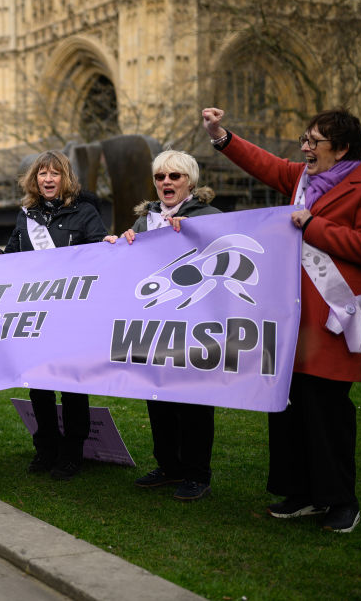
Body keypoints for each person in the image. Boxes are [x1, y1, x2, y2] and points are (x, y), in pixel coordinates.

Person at [202, 107, 361, 533]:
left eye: (313, 142)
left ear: (341, 149)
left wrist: (314, 225)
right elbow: (265, 163)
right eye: (304, 140)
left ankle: (342, 501)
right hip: (290, 319)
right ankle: (301, 494)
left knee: (327, 414)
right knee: (288, 409)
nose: (304, 148)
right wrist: (221, 136)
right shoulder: (302, 179)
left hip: (334, 322)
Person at [104, 150, 221, 501]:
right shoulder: (146, 222)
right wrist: (118, 246)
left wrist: (194, 236)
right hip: (153, 324)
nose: (166, 183)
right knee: (157, 396)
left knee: (194, 401)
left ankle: (197, 474)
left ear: (191, 181)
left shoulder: (210, 217)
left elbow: (220, 259)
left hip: (194, 323)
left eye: (174, 176)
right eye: (160, 177)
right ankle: (169, 466)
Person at [0, 150, 107, 480]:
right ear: (34, 180)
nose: (48, 179)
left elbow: (100, 255)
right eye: (42, 174)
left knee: (71, 386)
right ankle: (46, 447)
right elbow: (14, 254)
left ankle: (72, 452)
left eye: (55, 174)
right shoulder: (27, 215)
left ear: (65, 178)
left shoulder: (86, 213)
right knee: (38, 384)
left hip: (72, 316)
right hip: (35, 315)